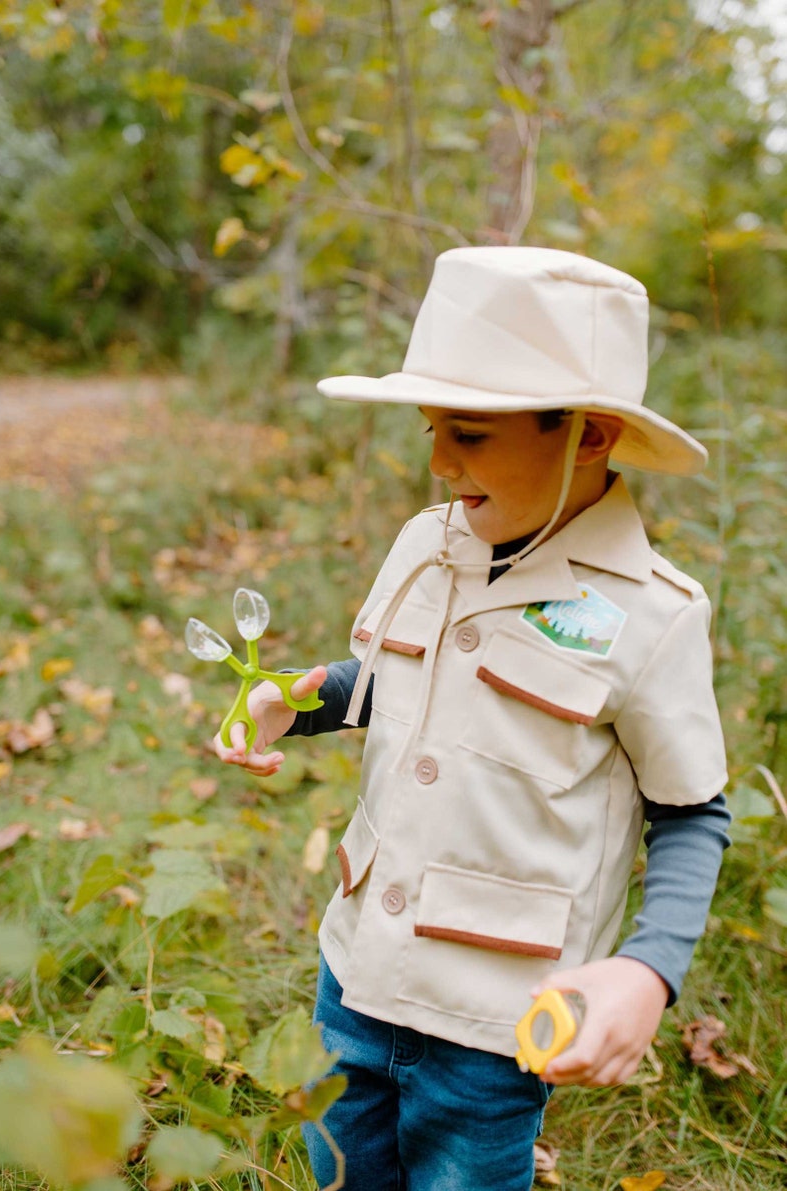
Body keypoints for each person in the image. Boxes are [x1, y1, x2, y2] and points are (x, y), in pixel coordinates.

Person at [215, 248, 730, 1191]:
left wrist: (647, 970)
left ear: (588, 434)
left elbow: (692, 812)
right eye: (432, 428)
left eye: (472, 433)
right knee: (339, 1168)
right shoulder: (428, 542)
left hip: (495, 1016)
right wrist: (291, 700)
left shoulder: (653, 614)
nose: (439, 460)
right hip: (356, 966)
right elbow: (391, 683)